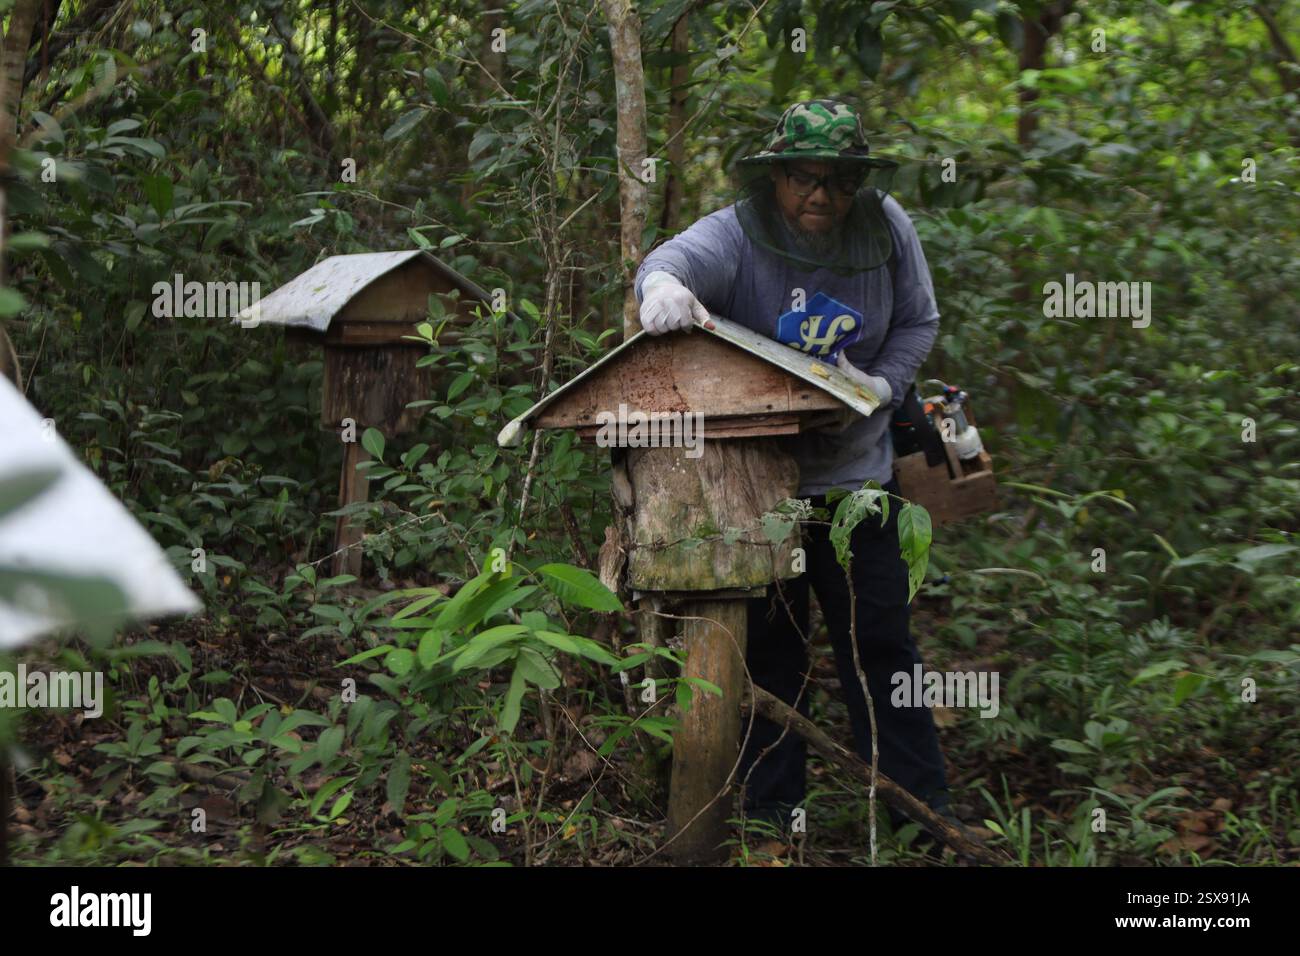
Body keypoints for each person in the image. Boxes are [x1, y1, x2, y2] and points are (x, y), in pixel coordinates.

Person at [633, 99, 953, 834]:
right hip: (764, 489)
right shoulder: (736, 232)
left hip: (859, 481)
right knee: (773, 652)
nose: (820, 195)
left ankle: (916, 813)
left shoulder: (885, 226)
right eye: (804, 178)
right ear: (776, 176)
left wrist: (881, 387)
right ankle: (773, 815)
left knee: (881, 645)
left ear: (859, 183)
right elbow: (666, 263)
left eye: (838, 181)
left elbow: (919, 320)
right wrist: (663, 291)